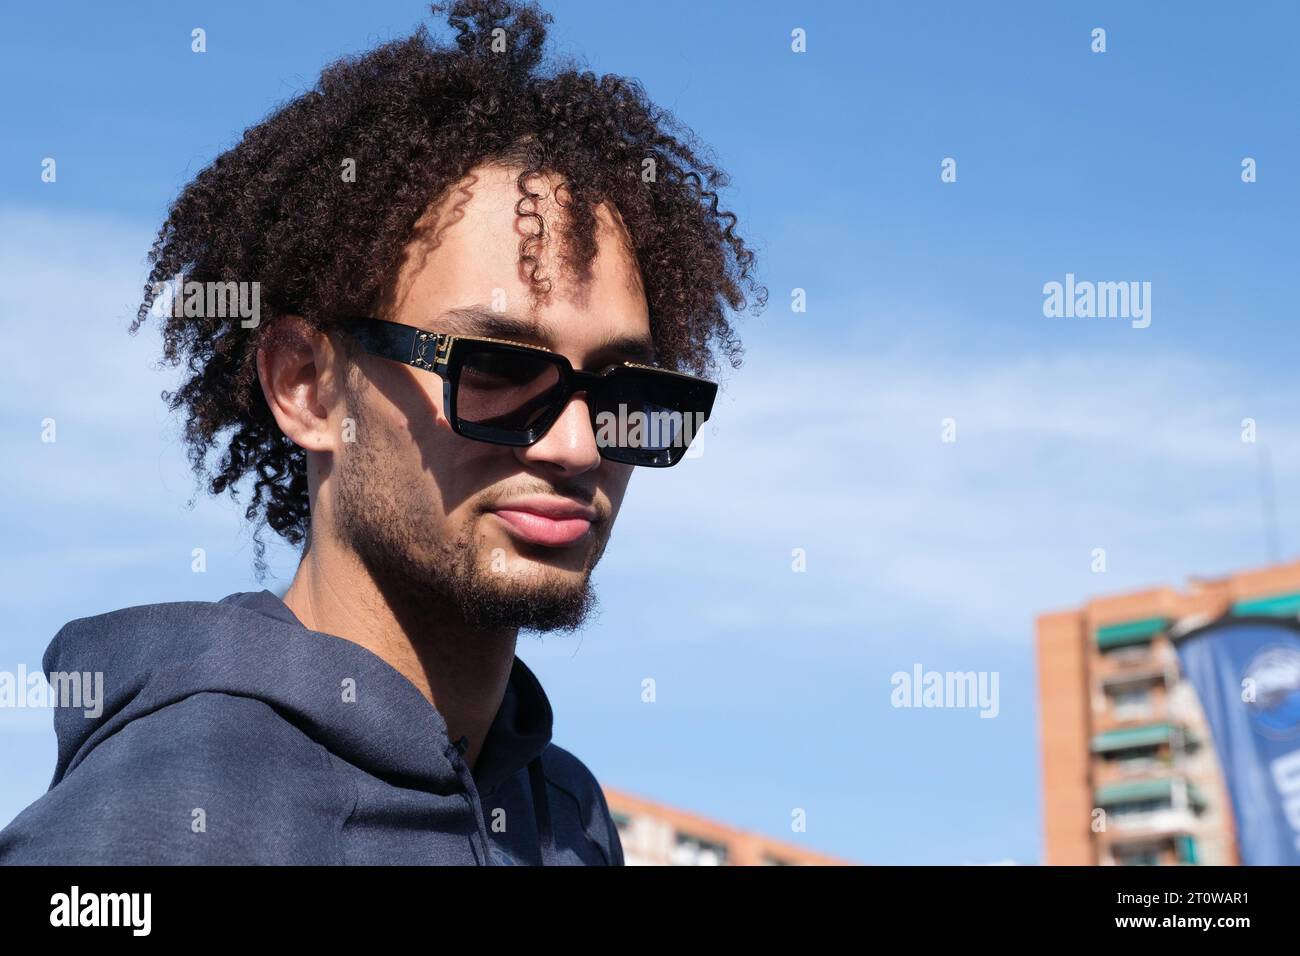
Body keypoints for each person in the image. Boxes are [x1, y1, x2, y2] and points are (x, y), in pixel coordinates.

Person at [0, 0, 762, 865]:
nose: (577, 447)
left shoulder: (568, 821)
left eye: (628, 393)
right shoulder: (166, 822)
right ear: (306, 386)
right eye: (498, 370)